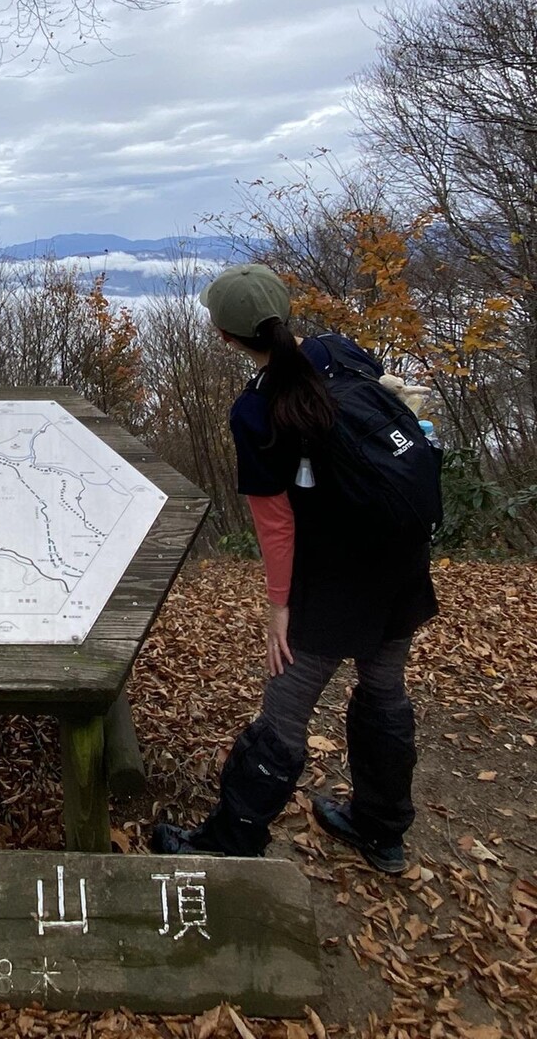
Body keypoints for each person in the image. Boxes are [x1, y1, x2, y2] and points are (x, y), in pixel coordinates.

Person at [150, 263, 438, 873]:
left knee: (283, 713)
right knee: (384, 686)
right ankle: (381, 829)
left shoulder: (256, 411)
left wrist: (280, 607)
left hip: (332, 579)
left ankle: (231, 842)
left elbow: (276, 524)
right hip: (402, 558)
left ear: (227, 338)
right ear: (286, 312)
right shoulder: (342, 351)